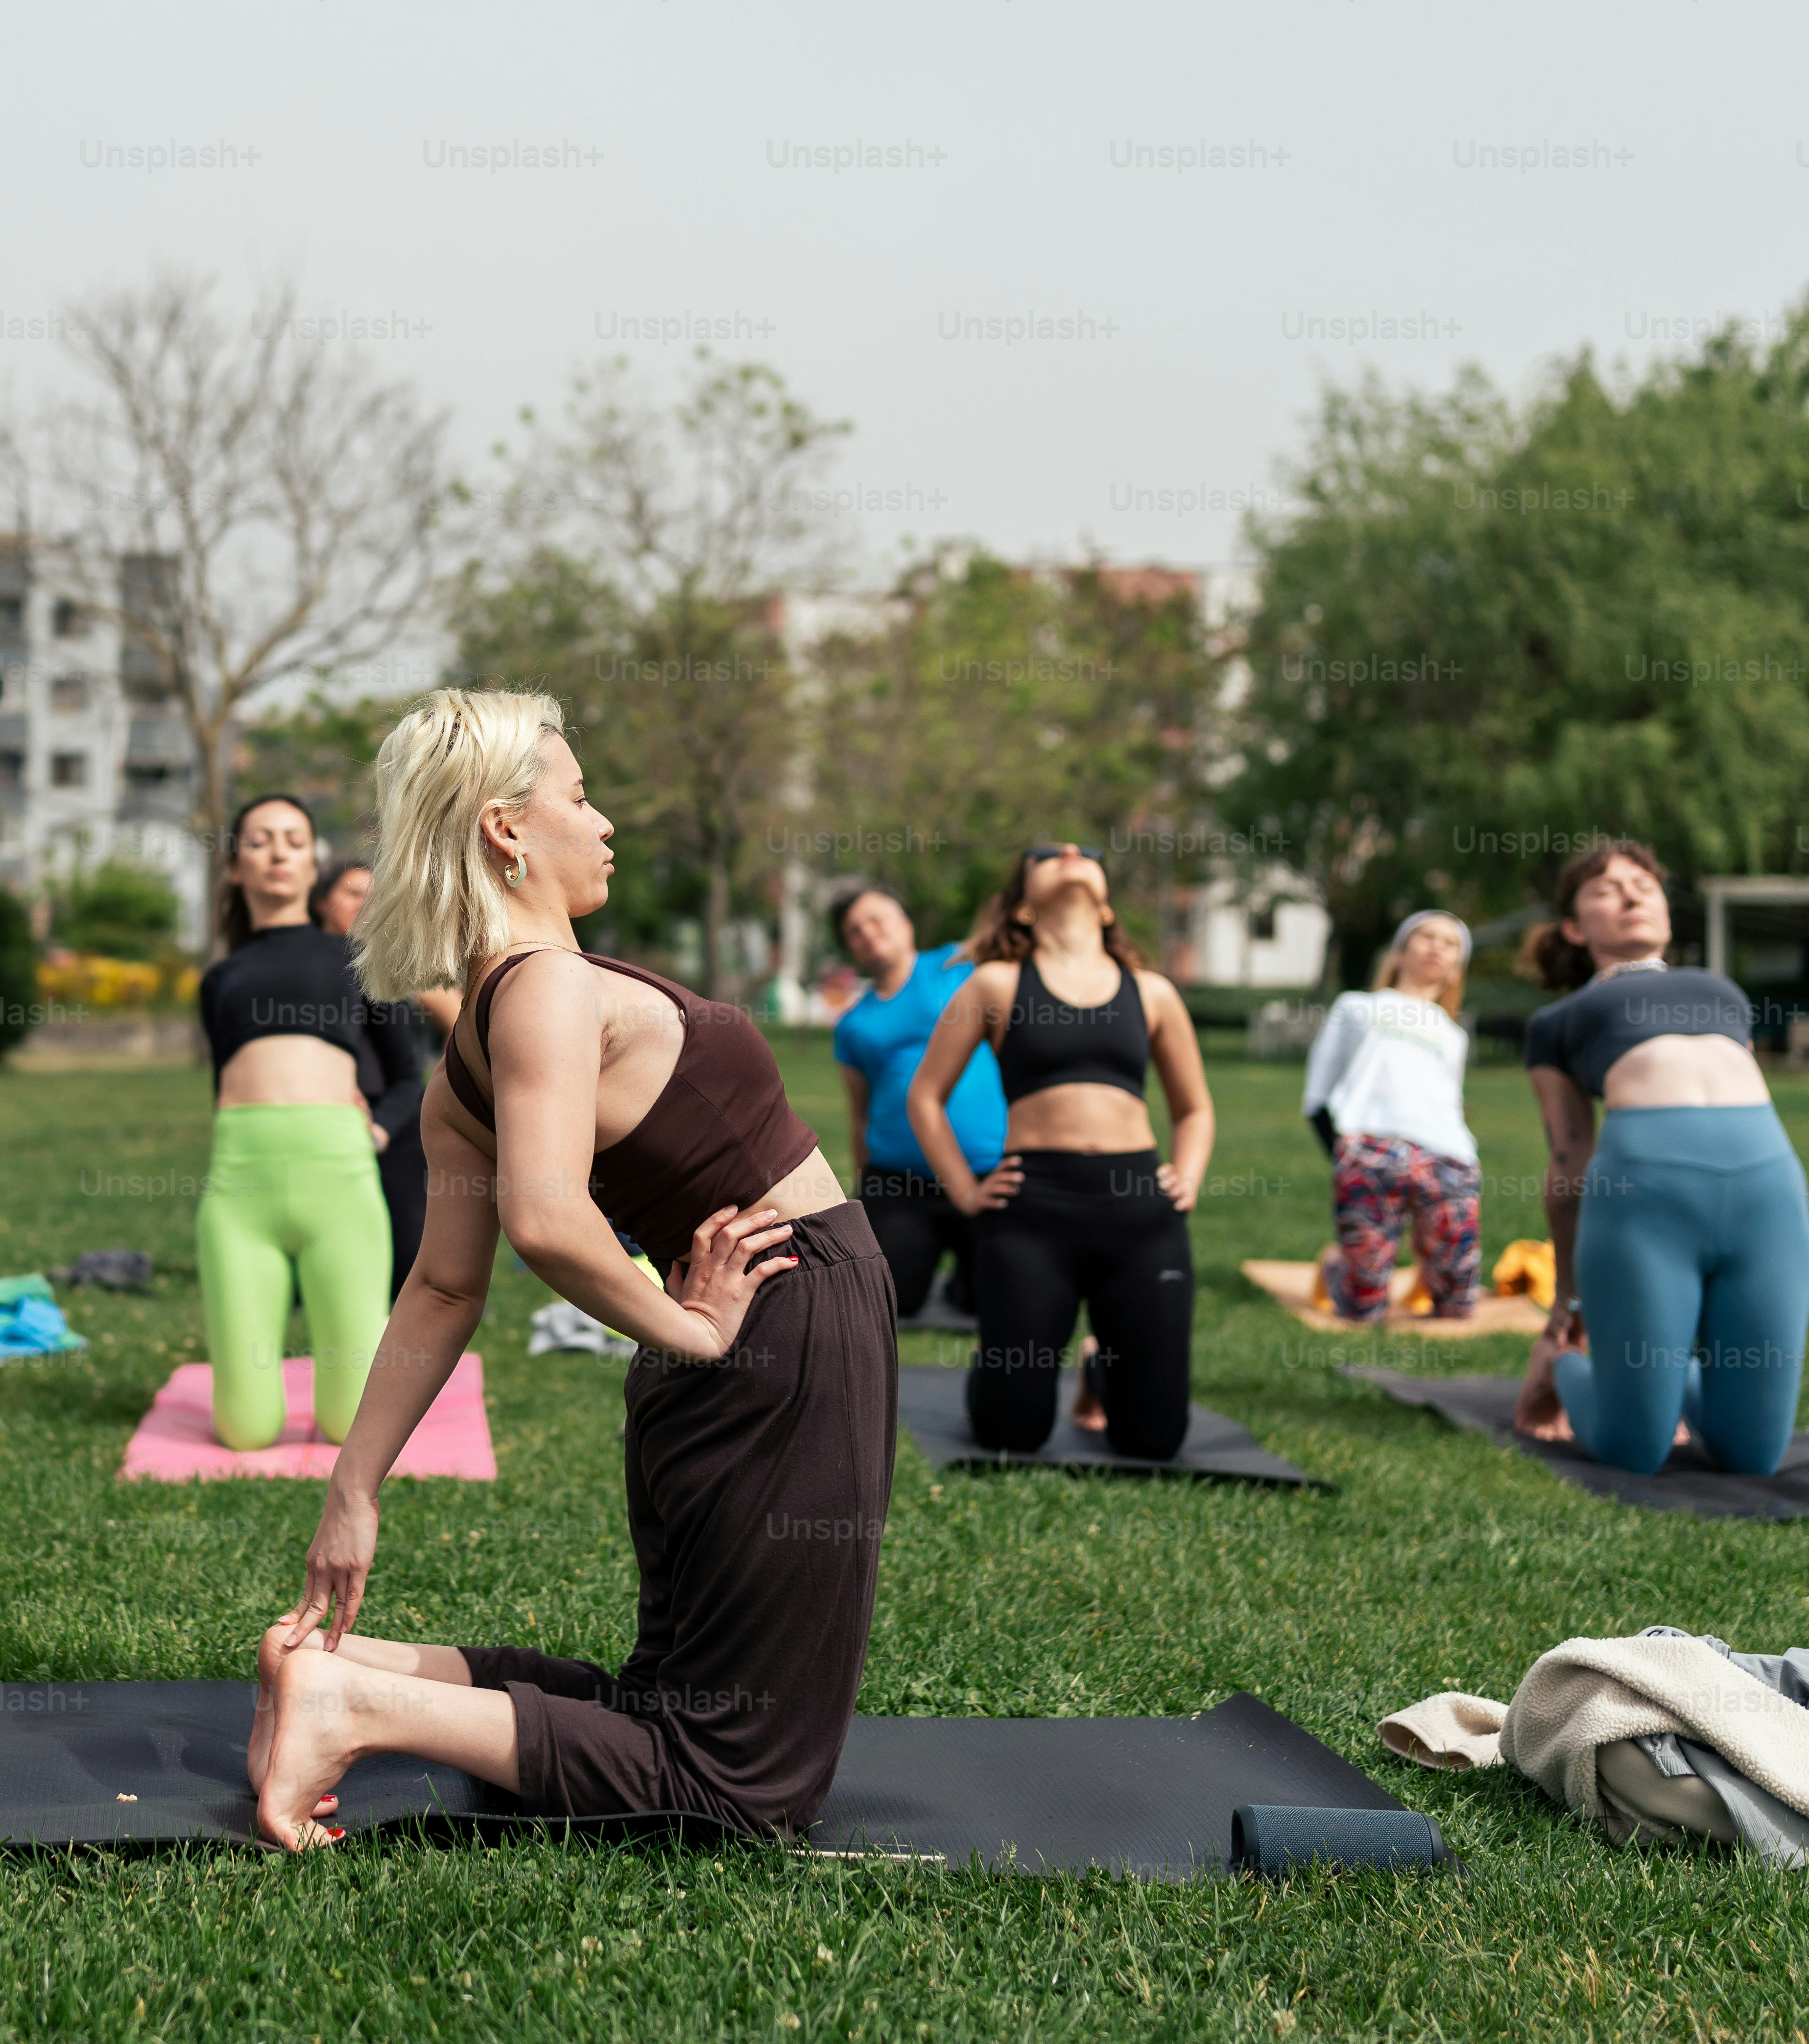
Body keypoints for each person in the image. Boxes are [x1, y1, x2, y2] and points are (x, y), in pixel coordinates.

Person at [249, 691, 894, 1851]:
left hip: (740, 1340)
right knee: (742, 1784)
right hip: (772, 1336)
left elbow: (447, 1288)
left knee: (672, 1703)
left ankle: (342, 1665)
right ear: (505, 826)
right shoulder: (543, 986)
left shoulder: (469, 1051)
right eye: (580, 796)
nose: (604, 825)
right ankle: (354, 1703)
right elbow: (543, 1219)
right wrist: (689, 1329)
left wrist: (356, 1486)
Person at [904, 843, 1214, 1460]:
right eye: (1049, 854)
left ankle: (1101, 1373)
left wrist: (1189, 1175)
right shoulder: (996, 982)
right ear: (1022, 909)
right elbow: (925, 1097)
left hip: (1141, 1217)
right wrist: (967, 1192)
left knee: (1153, 1441)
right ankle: (997, 1370)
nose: (1072, 855)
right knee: (1009, 1432)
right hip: (1032, 1215)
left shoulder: (1153, 992)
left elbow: (1195, 1109)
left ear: (1106, 908)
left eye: (1086, 853)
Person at [1511, 841, 1809, 1475]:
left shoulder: (1722, 991)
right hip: (1644, 1209)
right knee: (1634, 1449)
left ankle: (1662, 1374)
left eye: (1645, 883)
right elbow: (1568, 1162)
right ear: (1573, 926)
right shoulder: (1557, 1021)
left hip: (1769, 1203)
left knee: (1753, 1455)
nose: (1631, 894)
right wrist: (1567, 1307)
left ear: (1668, 912)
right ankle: (1563, 1370)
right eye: (1605, 889)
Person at [195, 799, 412, 1449]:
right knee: (245, 1430)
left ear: (312, 858)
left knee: (354, 1423)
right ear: (236, 867)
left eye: (294, 839)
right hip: (241, 1185)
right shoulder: (220, 978)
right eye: (261, 841)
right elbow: (220, 1089)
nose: (279, 852)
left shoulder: (357, 957)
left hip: (340, 1181)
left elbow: (408, 1077)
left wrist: (373, 1132)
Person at [828, 885, 1004, 1324]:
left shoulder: (958, 966)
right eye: (854, 931)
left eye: (877, 919)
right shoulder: (853, 1024)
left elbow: (1004, 922)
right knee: (890, 1299)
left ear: (907, 924)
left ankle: (967, 1283)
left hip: (988, 1170)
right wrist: (864, 1188)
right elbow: (860, 1113)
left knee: (995, 1298)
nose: (868, 933)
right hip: (901, 1182)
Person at [1299, 910, 1482, 1322]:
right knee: (1365, 1310)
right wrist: (1343, 1153)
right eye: (1426, 937)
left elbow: (1449, 1102)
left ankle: (1429, 1265)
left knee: (1456, 1307)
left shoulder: (1454, 1035)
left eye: (1450, 943)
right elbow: (1318, 1094)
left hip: (1448, 1157)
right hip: (1371, 1147)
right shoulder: (1358, 1007)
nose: (1437, 947)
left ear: (1457, 969)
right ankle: (1342, 1268)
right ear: (1400, 953)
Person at [312, 856, 438, 1296]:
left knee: (403, 1261)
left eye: (373, 897)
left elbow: (408, 1075)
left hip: (389, 1128)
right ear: (322, 902)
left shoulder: (374, 975)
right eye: (352, 894)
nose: (364, 905)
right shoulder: (302, 971)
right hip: (313, 1128)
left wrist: (379, 1130)